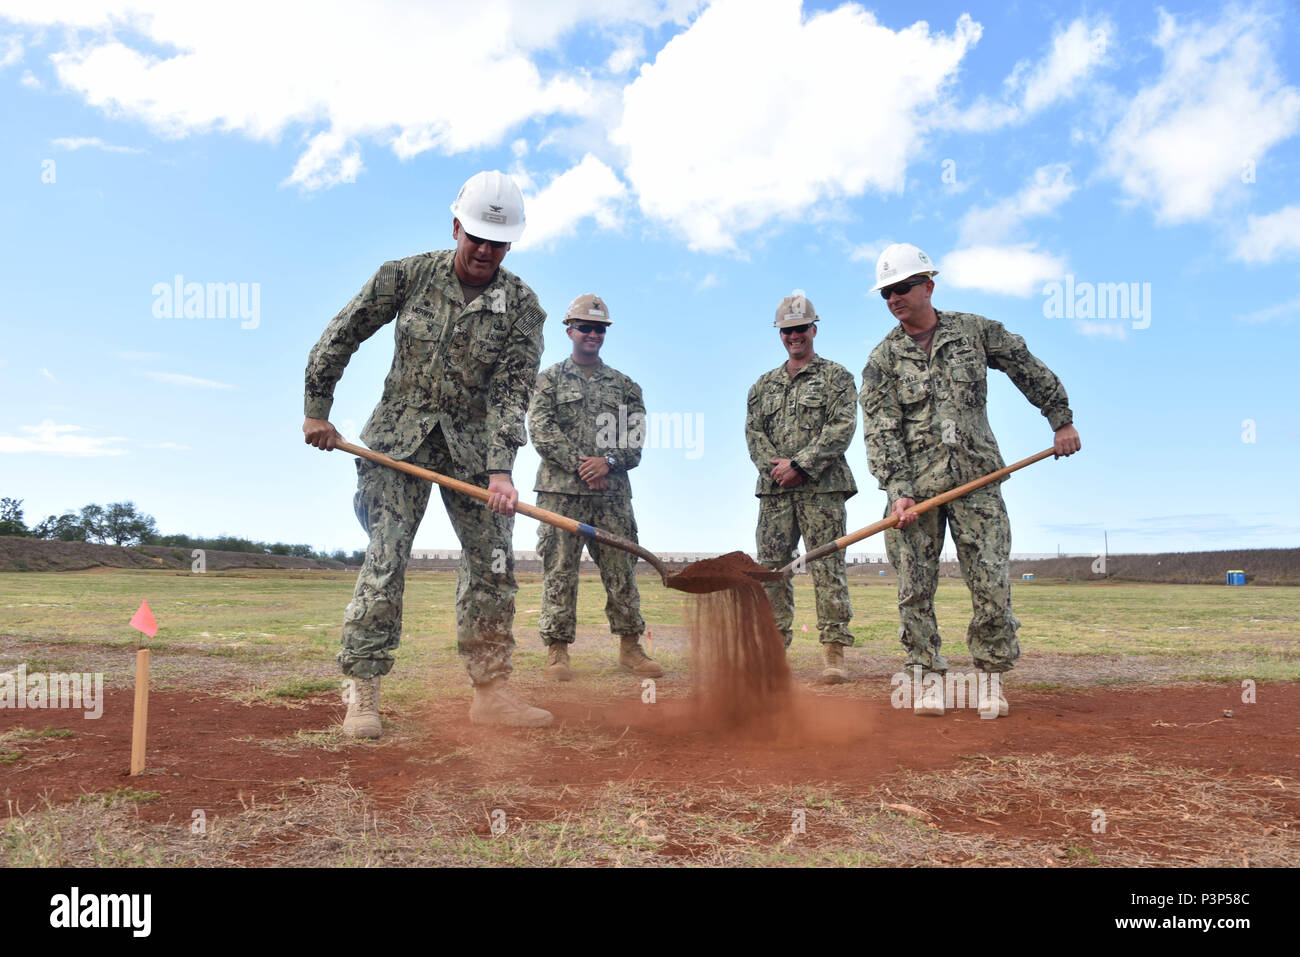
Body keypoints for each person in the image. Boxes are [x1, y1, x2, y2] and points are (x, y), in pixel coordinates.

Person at [302, 170, 553, 738]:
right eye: (477, 239)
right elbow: (341, 333)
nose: (486, 251)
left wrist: (500, 471)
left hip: (474, 455)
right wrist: (318, 408)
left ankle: (491, 693)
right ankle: (363, 693)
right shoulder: (405, 276)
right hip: (397, 445)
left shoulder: (523, 309)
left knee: (493, 570)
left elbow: (512, 393)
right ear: (457, 226)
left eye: (499, 243)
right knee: (386, 561)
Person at [859, 243, 1081, 717]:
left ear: (928, 287)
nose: (894, 299)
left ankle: (990, 680)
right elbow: (880, 430)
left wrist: (1059, 419)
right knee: (914, 588)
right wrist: (898, 491)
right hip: (916, 492)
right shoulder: (882, 360)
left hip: (977, 478)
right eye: (886, 294)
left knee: (990, 581)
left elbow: (1026, 366)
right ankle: (927, 680)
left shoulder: (974, 332)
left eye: (901, 288)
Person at [527, 294, 661, 681]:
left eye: (599, 328)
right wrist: (584, 466)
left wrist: (609, 462)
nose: (592, 334)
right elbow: (541, 431)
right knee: (559, 570)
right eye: (584, 327)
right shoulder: (548, 380)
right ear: (569, 330)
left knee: (621, 571)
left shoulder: (625, 386)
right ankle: (557, 651)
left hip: (612, 496)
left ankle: (630, 647)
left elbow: (635, 441)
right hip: (560, 493)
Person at [745, 293, 859, 683]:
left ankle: (834, 655)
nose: (794, 336)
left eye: (800, 329)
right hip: (775, 493)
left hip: (823, 490)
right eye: (787, 331)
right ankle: (775, 653)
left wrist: (801, 465)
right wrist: (777, 469)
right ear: (780, 334)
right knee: (772, 570)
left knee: (827, 567)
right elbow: (753, 434)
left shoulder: (837, 378)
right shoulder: (762, 386)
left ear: (814, 329)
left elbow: (841, 428)